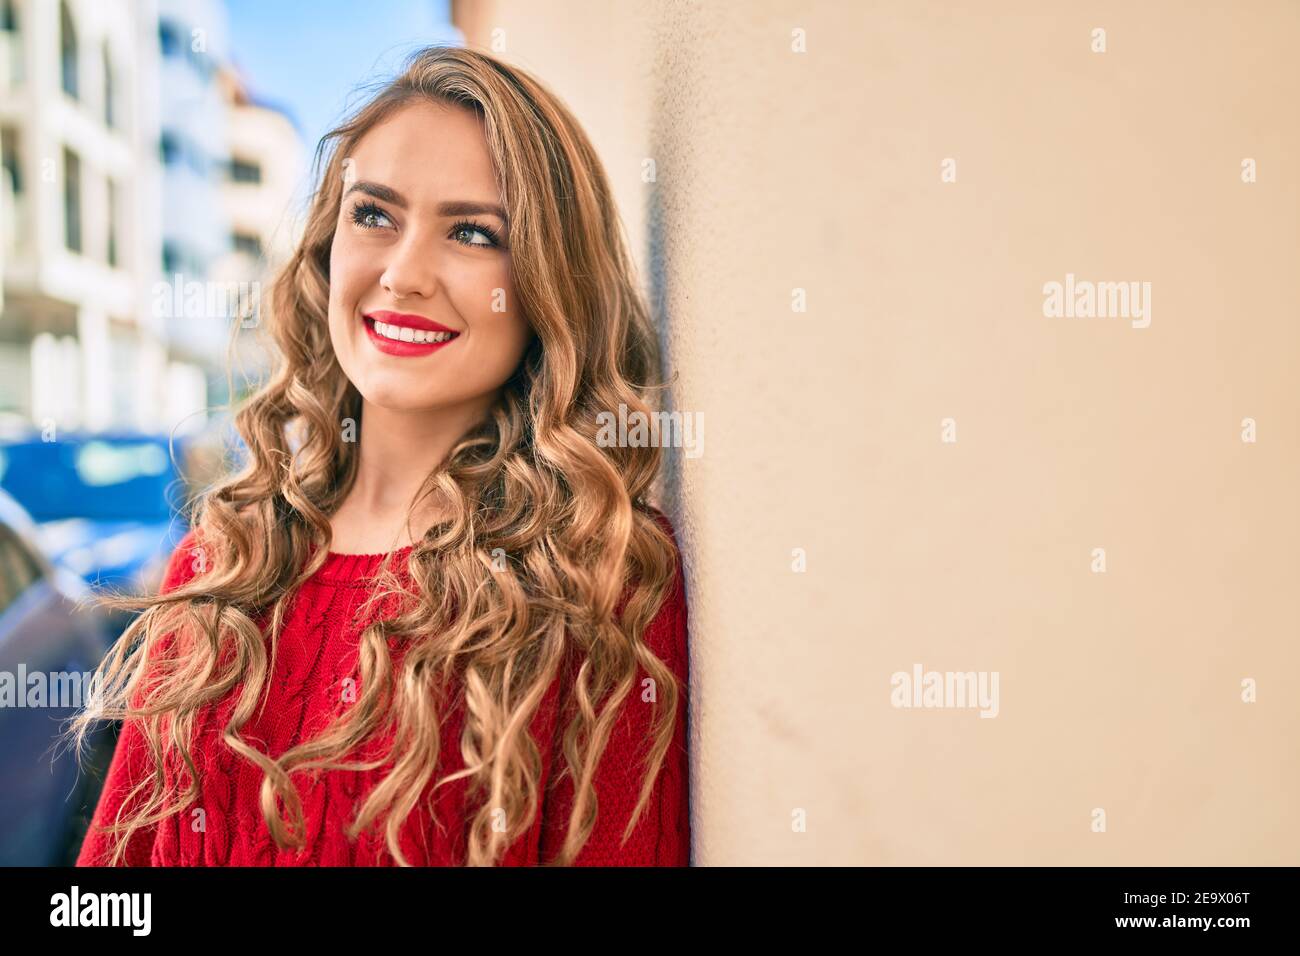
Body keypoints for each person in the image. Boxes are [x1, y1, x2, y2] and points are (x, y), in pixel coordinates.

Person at [67, 45, 690, 867]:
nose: (403, 274)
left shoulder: (599, 582)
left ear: (549, 284)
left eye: (472, 232)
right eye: (374, 215)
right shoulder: (219, 567)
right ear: (327, 246)